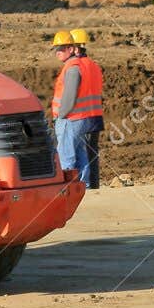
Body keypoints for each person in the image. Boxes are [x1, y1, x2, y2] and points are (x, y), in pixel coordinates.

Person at [50, 29, 103, 189]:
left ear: (72, 48)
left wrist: (60, 116)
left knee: (67, 158)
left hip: (71, 118)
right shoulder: (92, 66)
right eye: (56, 49)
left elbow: (69, 96)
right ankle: (85, 187)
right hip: (90, 118)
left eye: (61, 48)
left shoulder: (73, 67)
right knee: (82, 156)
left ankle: (69, 190)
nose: (57, 52)